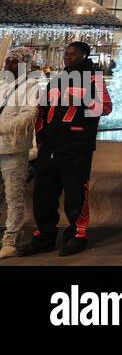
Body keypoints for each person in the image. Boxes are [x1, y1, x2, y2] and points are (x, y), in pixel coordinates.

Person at [22, 41, 113, 257]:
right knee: (43, 194)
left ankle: (78, 235)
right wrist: (41, 136)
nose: (67, 56)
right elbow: (43, 110)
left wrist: (82, 100)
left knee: (75, 194)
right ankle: (44, 236)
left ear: (84, 56)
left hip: (77, 147)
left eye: (73, 53)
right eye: (66, 53)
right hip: (50, 146)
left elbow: (106, 108)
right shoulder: (57, 79)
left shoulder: (94, 79)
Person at [0, 48, 38, 259]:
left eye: (13, 62)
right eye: (8, 61)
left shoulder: (31, 87)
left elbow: (29, 114)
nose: (8, 65)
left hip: (14, 148)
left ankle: (11, 237)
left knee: (14, 194)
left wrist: (2, 127)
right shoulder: (2, 85)